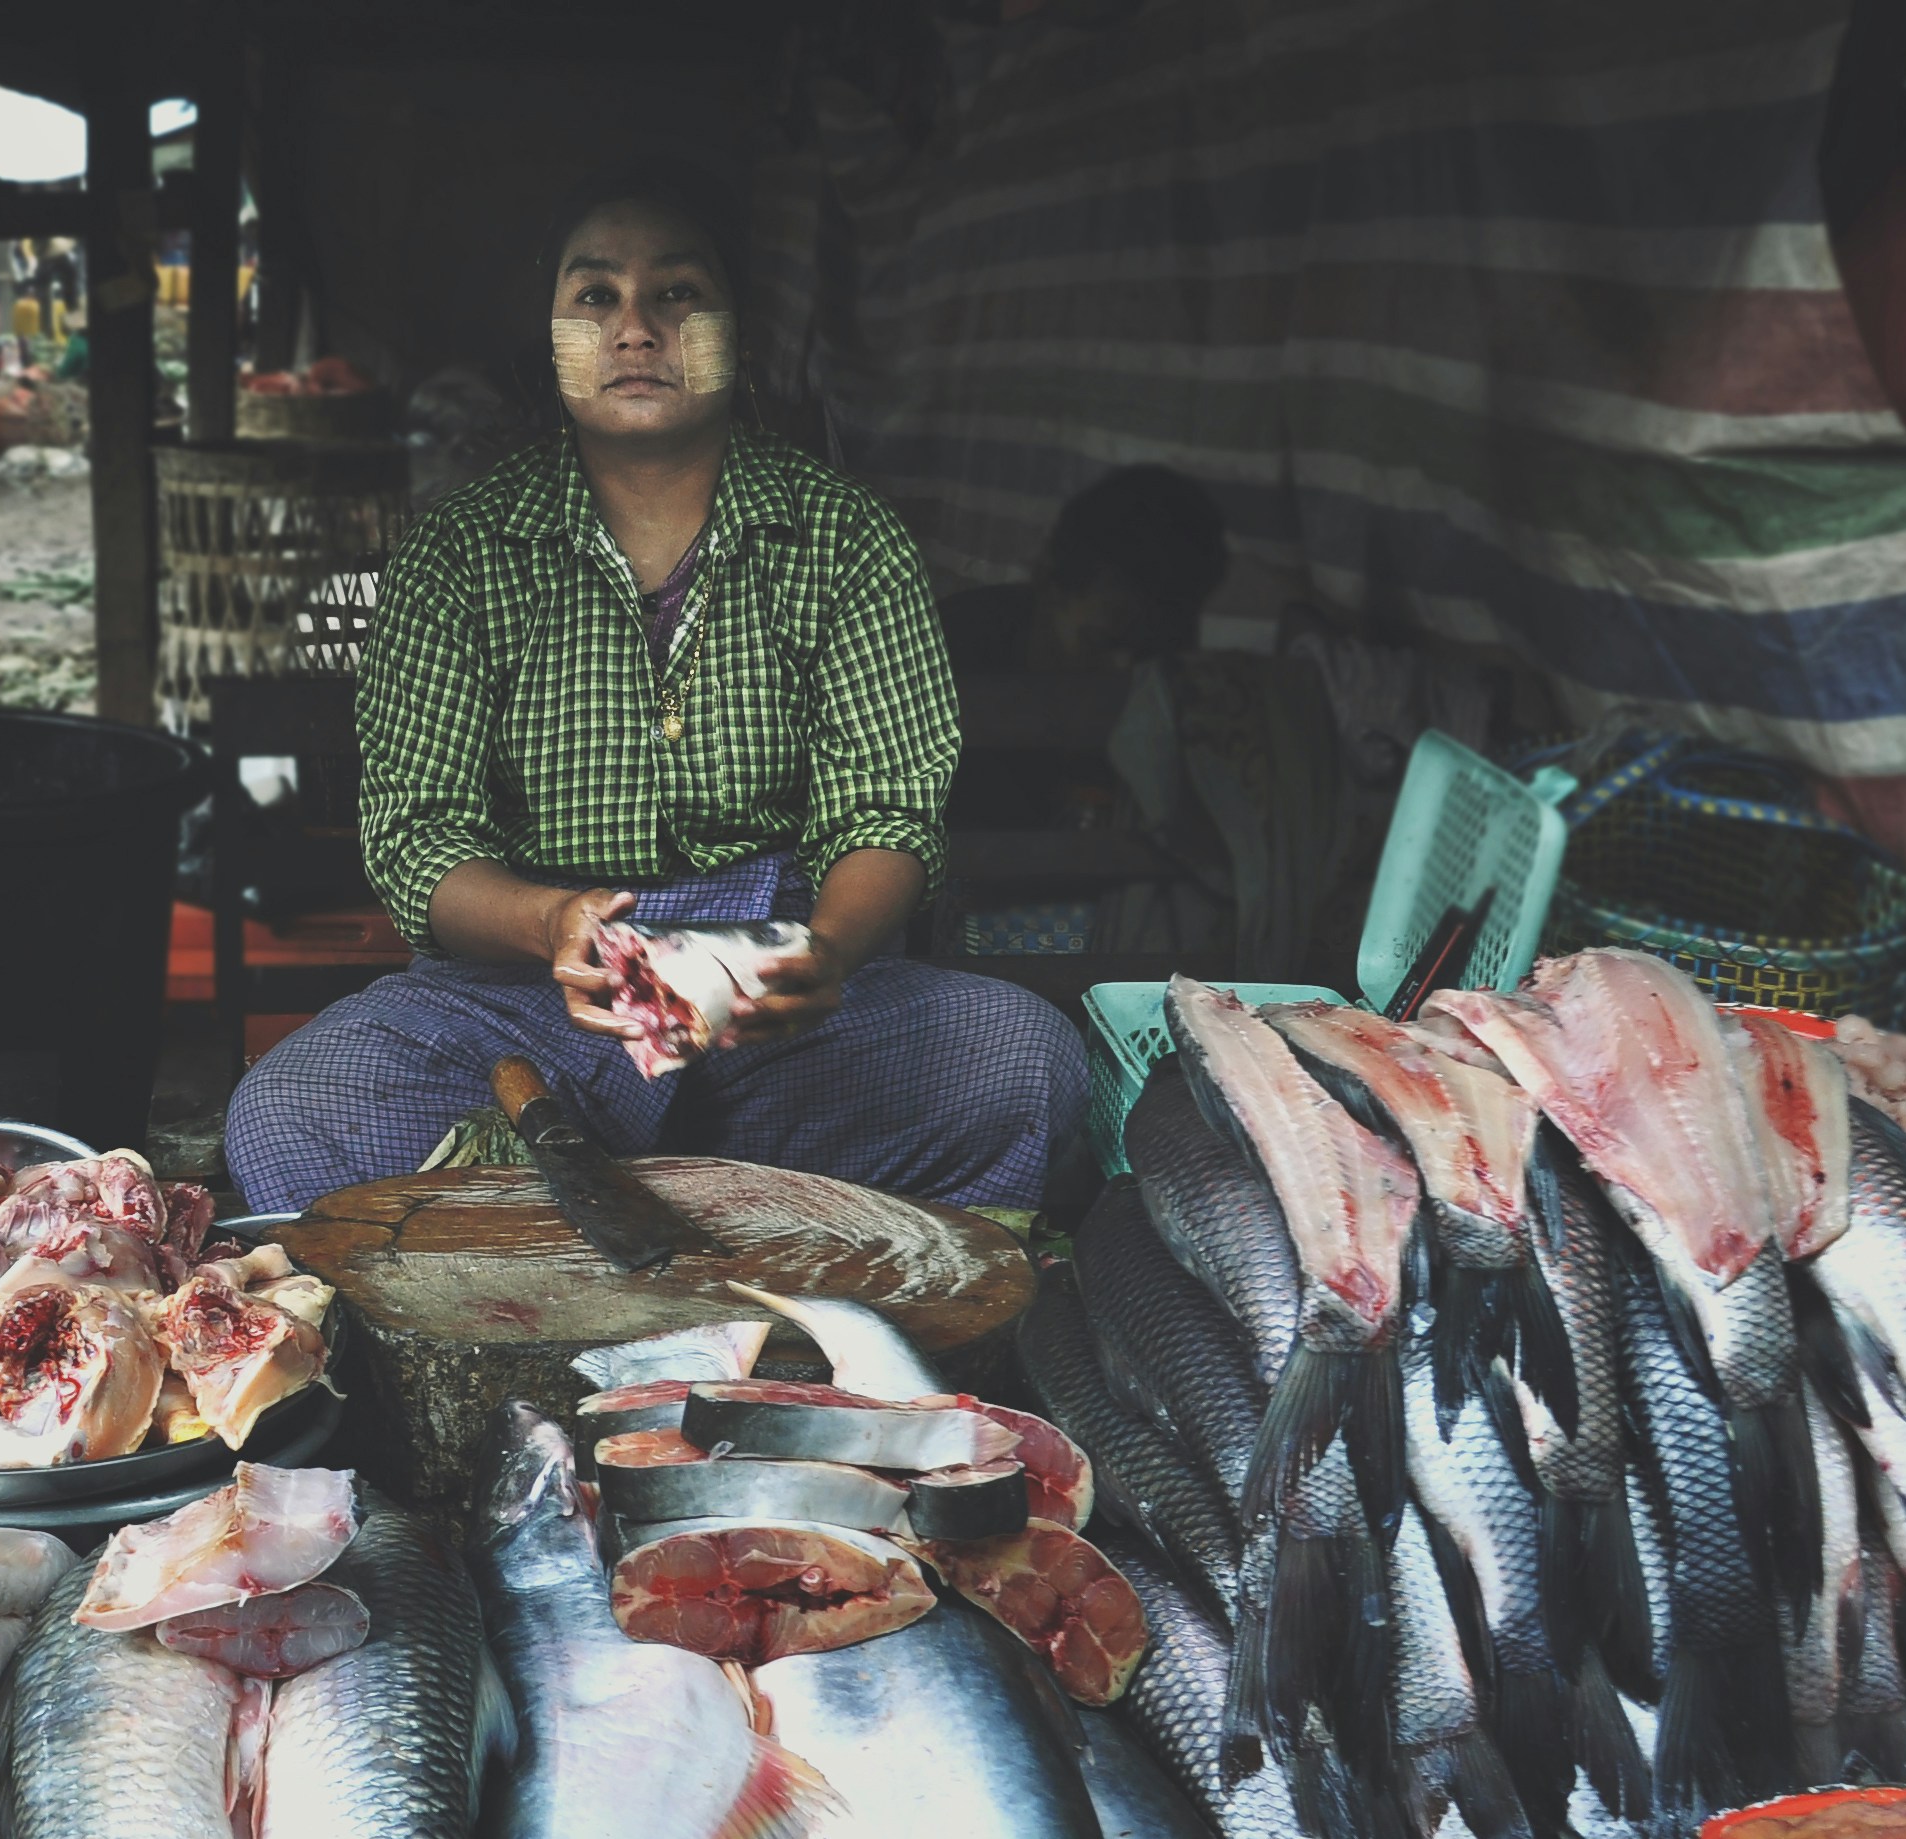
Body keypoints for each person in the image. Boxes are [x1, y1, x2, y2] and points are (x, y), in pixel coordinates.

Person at [223, 166, 1087, 1219]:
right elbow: (417, 836)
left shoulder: (849, 542)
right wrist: (552, 925)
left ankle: (578, 1227)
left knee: (1024, 1065)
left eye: (677, 293)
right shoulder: (459, 553)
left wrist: (830, 951)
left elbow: (885, 813)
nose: (636, 328)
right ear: (550, 339)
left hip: (779, 1002)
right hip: (529, 999)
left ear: (740, 328)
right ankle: (713, 1228)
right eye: (595, 296)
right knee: (294, 1108)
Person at [937, 464, 1233, 676]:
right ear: (1046, 581)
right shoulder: (942, 660)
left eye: (1150, 656)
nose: (1125, 673)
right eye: (1100, 644)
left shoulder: (1175, 687)